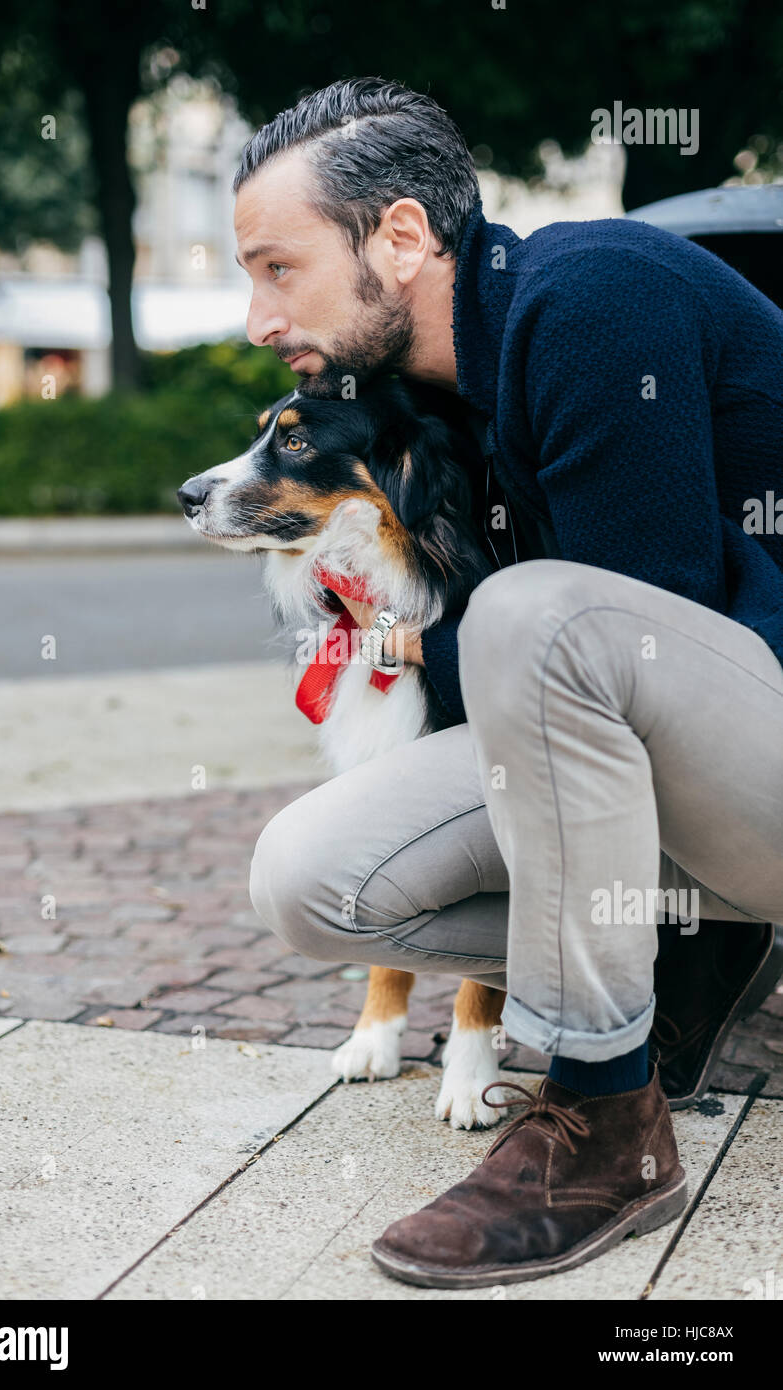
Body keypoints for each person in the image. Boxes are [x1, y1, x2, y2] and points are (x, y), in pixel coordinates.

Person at [233, 76, 783, 1287]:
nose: (259, 314)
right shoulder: (441, 398)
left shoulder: (589, 297)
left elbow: (628, 632)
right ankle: (688, 945)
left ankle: (601, 1118)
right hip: (705, 767)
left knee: (540, 615)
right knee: (306, 880)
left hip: (761, 743)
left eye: (279, 268)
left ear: (402, 237)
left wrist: (414, 641)